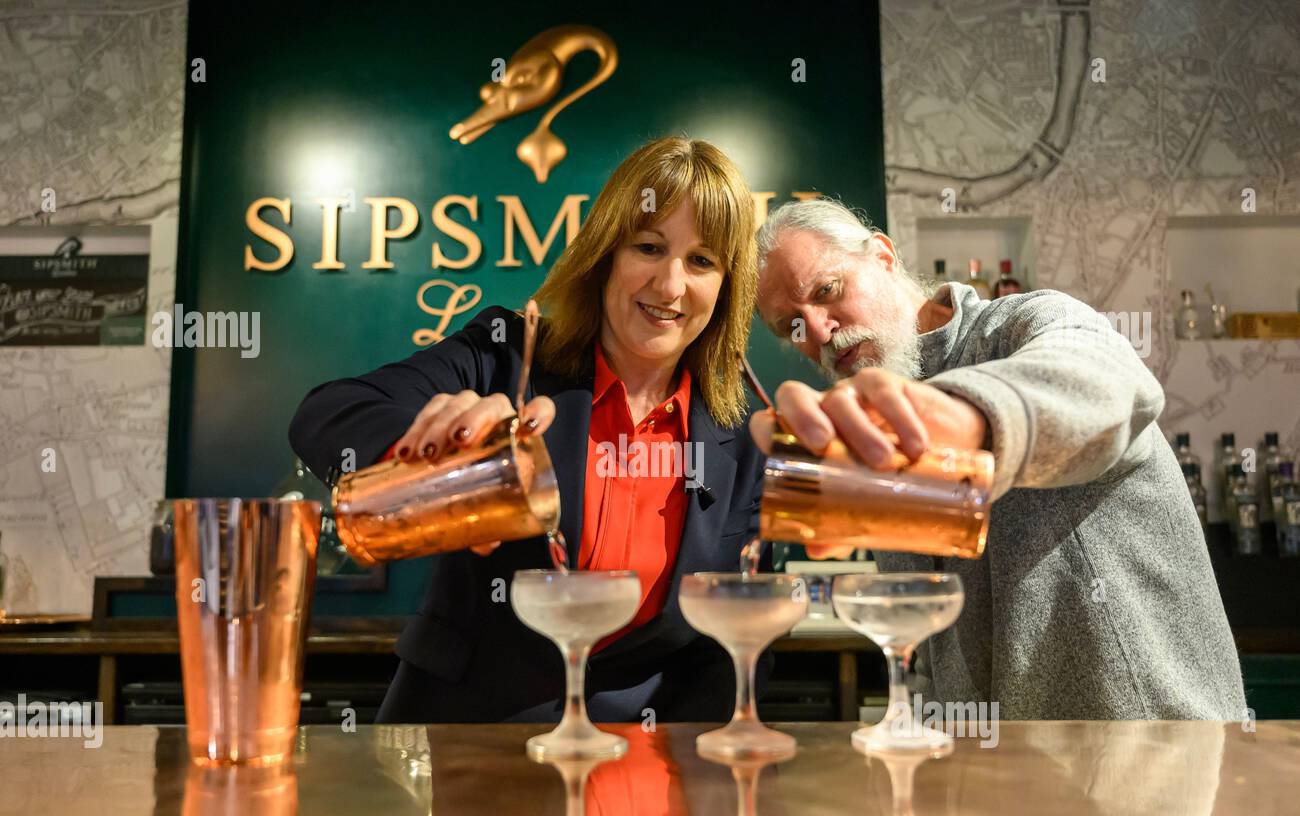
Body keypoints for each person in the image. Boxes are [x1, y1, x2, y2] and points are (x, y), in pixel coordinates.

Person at [289, 137, 769, 723]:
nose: (670, 286)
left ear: (725, 287)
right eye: (649, 246)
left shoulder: (741, 436)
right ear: (605, 255)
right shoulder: (508, 355)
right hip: (468, 740)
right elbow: (327, 413)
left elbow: (728, 645)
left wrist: (689, 777)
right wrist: (444, 451)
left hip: (638, 757)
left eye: (702, 261)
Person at [748, 197, 1246, 721]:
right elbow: (935, 646)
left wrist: (969, 416)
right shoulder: (876, 439)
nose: (820, 331)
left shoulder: (1021, 326)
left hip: (1157, 755)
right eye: (793, 327)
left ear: (884, 257)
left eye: (828, 291)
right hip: (1007, 780)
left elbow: (1111, 380)